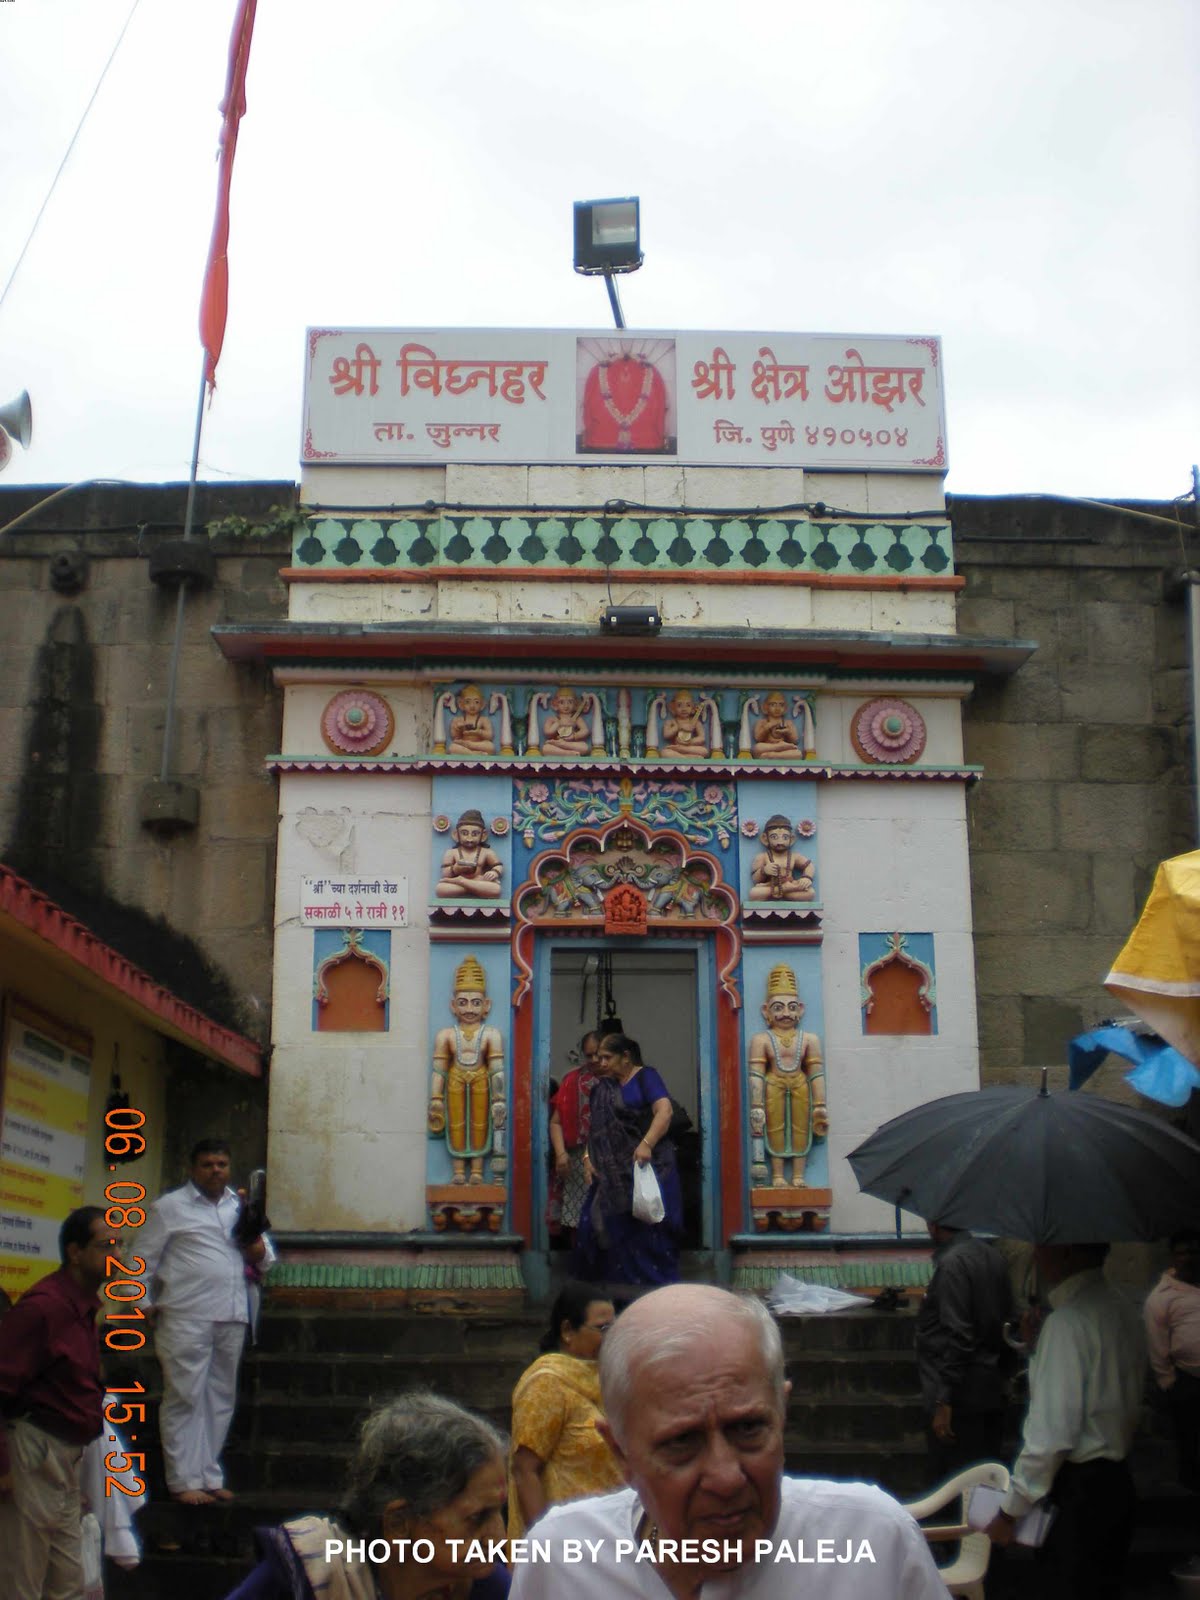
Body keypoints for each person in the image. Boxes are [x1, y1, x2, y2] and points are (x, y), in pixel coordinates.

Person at [509, 1283, 947, 1599]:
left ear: (782, 1412)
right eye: (682, 1442)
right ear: (620, 1452)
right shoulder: (560, 1560)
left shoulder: (875, 1542)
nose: (725, 1478)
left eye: (748, 1429)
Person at [225, 1391, 509, 1599]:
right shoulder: (311, 1576)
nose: (498, 1536)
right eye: (477, 1517)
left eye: (500, 1512)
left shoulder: (485, 1585)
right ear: (399, 1523)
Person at [985, 1242, 1145, 1600]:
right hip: (1116, 1482)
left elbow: (1052, 1435)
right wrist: (1036, 1349)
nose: (1036, 1257)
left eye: (1042, 1248)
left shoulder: (1068, 1322)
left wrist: (1011, 1510)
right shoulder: (1122, 1308)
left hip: (1080, 1491)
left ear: (1066, 1253)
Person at [139, 1139, 272, 1505]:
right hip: (185, 1314)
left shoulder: (240, 1206)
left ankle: (209, 1474)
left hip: (232, 1312)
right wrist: (143, 1303)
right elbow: (141, 1261)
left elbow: (266, 1259)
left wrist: (255, 1247)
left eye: (222, 1164)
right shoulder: (169, 1208)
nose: (216, 1170)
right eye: (208, 1164)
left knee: (220, 1396)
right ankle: (182, 1480)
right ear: (192, 1169)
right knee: (184, 1394)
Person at [0, 1206, 111, 1600]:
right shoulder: (44, 1307)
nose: (115, 1254)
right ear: (74, 1251)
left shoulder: (82, 1308)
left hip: (66, 1457)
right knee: (21, 1580)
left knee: (68, 1582)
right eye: (104, 1245)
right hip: (33, 1451)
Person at [507, 1282, 622, 1540]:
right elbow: (525, 1470)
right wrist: (546, 1547)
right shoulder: (546, 1382)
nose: (611, 1337)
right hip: (567, 1541)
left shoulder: (608, 1380)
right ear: (568, 1330)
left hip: (611, 1535)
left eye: (615, 1328)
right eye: (603, 1328)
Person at [573, 1033, 683, 1287]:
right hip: (612, 1177)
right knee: (597, 1228)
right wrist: (589, 1158)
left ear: (626, 1057)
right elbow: (597, 1130)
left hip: (650, 1168)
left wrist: (646, 1144)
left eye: (607, 1057)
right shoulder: (601, 1089)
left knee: (650, 1231)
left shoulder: (646, 1077)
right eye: (598, 1057)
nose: (600, 1063)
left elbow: (664, 1111)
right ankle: (615, 1295)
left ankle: (658, 1292)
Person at [914, 1220, 1014, 1478]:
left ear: (935, 1225)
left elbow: (958, 1335)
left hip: (960, 1395)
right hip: (990, 1387)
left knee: (953, 1484)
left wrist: (943, 1399)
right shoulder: (993, 1256)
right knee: (984, 1481)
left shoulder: (952, 1265)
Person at [746, 964, 827, 1188]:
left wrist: (820, 1103)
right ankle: (778, 1176)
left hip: (801, 1086)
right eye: (778, 1008)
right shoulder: (761, 1040)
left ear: (800, 1010)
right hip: (773, 1086)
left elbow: (816, 1073)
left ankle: (799, 1176)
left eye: (791, 1007)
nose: (785, 1014)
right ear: (766, 1012)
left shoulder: (810, 1039)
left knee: (801, 1127)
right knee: (774, 1129)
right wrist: (756, 1104)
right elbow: (756, 1074)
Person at [429, 955, 506, 1185]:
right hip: (455, 1081)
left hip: (482, 1080)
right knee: (456, 1125)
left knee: (481, 1125)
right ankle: (459, 1172)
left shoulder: (492, 1035)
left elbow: (497, 1070)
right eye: (463, 1002)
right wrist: (435, 1097)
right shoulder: (446, 1035)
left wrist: (499, 1099)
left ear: (486, 1005)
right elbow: (439, 1069)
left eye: (476, 1002)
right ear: (453, 1006)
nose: (469, 1008)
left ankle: (477, 1172)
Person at [1144, 1228, 1200, 1491]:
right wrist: (1170, 1384)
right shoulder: (1162, 1297)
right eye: (1181, 1253)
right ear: (1172, 1258)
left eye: (1193, 1252)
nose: (1187, 1258)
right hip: (1188, 1382)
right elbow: (1157, 1346)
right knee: (1190, 1445)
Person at [547, 1034, 601, 1244]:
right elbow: (556, 1122)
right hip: (577, 1160)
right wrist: (561, 1154)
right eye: (589, 1055)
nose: (595, 1060)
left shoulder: (621, 1080)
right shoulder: (572, 1080)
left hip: (612, 1158)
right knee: (578, 1219)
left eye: (599, 1054)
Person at [436, 810, 504, 900]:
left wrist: (494, 872)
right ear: (456, 835)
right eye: (464, 833)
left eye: (475, 834)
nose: (469, 838)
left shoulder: (487, 852)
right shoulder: (451, 853)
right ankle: (470, 886)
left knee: (496, 889)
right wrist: (455, 869)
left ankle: (462, 882)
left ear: (483, 836)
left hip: (478, 880)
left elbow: (498, 866)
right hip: (476, 884)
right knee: (440, 889)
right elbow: (445, 873)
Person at [747, 816, 815, 902]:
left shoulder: (794, 856)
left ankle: (783, 889)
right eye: (774, 837)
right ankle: (784, 889)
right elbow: (755, 879)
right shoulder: (762, 857)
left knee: (810, 892)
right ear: (765, 839)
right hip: (771, 887)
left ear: (792, 839)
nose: (780, 842)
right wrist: (764, 871)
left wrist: (807, 878)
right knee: (754, 893)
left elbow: (809, 866)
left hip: (790, 885)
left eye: (785, 837)